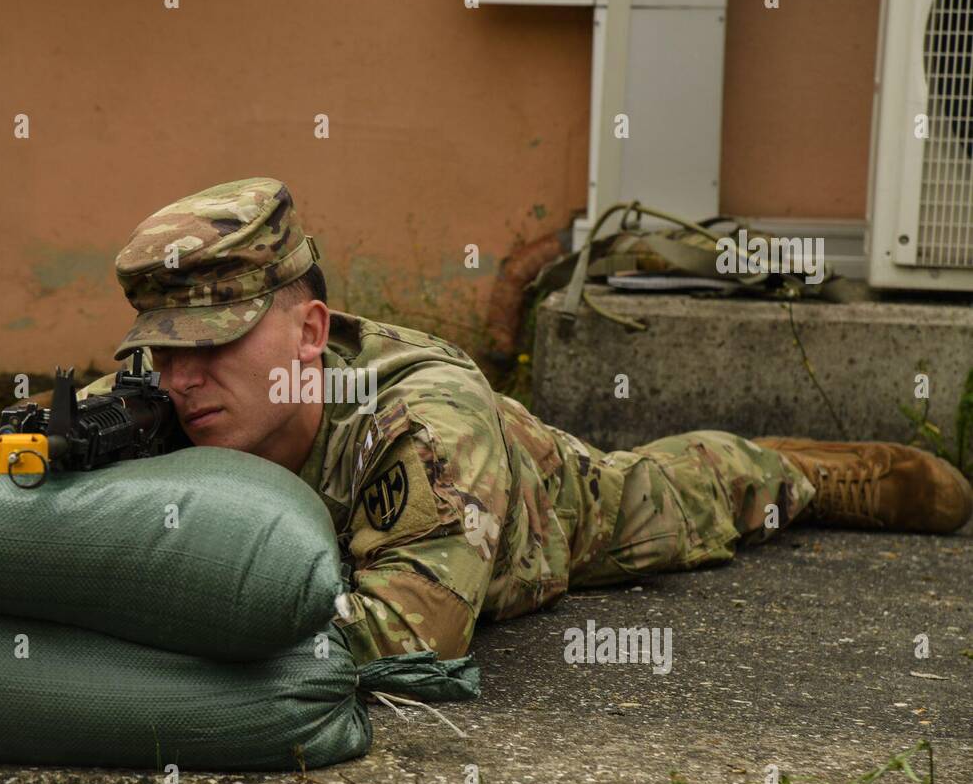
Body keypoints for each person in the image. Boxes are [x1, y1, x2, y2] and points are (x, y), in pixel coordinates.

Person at [58, 177, 973, 667]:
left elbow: (411, 638)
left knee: (678, 492)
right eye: (164, 345)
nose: (181, 375)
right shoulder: (159, 397)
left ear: (307, 333)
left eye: (214, 342)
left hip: (540, 509)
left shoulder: (425, 425)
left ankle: (801, 473)